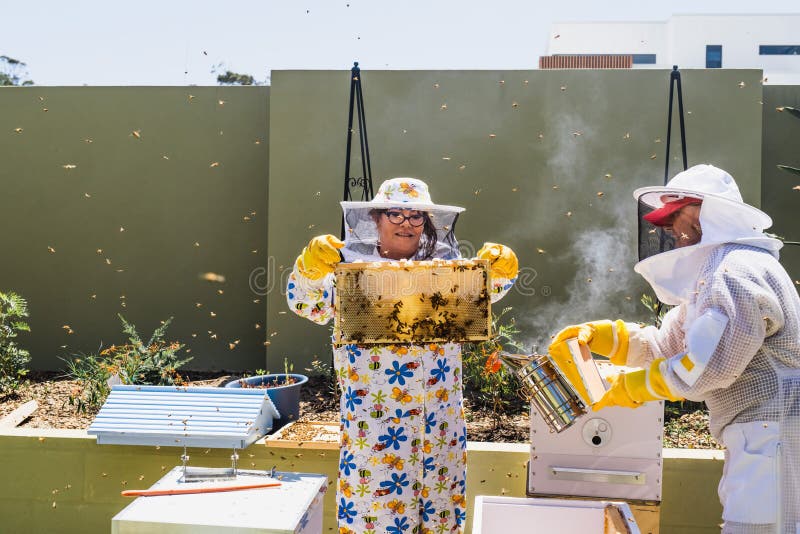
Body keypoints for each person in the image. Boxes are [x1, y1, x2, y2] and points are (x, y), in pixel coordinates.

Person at [548, 164, 800, 534]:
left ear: (701, 214)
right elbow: (667, 347)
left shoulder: (733, 271)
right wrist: (604, 337)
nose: (670, 232)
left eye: (674, 220)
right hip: (760, 434)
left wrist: (625, 388)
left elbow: (705, 367)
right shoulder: (715, 272)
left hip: (773, 433)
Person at [286, 178, 518, 534]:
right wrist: (309, 270)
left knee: (441, 522)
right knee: (375, 520)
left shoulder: (447, 268)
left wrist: (502, 270)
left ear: (426, 223)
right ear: (377, 218)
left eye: (415, 216)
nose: (406, 223)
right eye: (395, 213)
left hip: (441, 429)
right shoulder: (348, 268)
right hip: (376, 430)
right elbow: (307, 304)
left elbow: (488, 292)